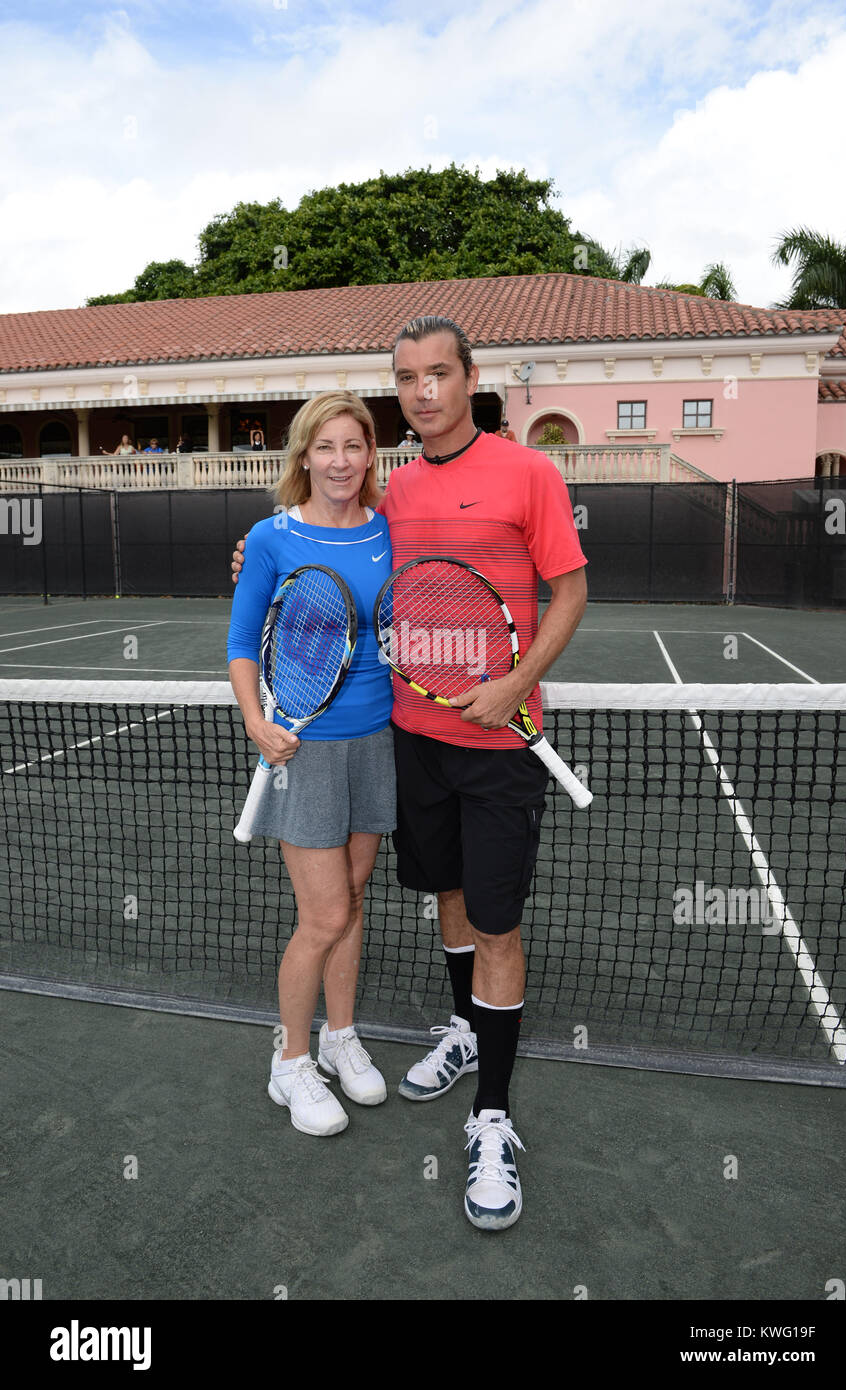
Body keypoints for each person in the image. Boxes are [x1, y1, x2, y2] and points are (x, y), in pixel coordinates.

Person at [233, 318, 587, 1229]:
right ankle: (454, 1030)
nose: (423, 391)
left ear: (470, 378)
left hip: (501, 742)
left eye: (438, 374)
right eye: (407, 379)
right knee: (444, 897)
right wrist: (253, 553)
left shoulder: (530, 473)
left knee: (495, 923)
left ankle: (492, 1120)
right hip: (411, 740)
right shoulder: (394, 501)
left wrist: (513, 680)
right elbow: (309, 554)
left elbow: (571, 590)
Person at [227, 390, 396, 1139]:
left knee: (354, 899)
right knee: (323, 914)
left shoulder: (389, 532)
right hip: (306, 744)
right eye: (324, 448)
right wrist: (256, 721)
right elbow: (239, 642)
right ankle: (290, 1060)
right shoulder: (269, 537)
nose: (340, 462)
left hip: (379, 736)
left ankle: (340, 1035)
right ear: (304, 456)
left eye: (353, 447)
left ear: (369, 455)